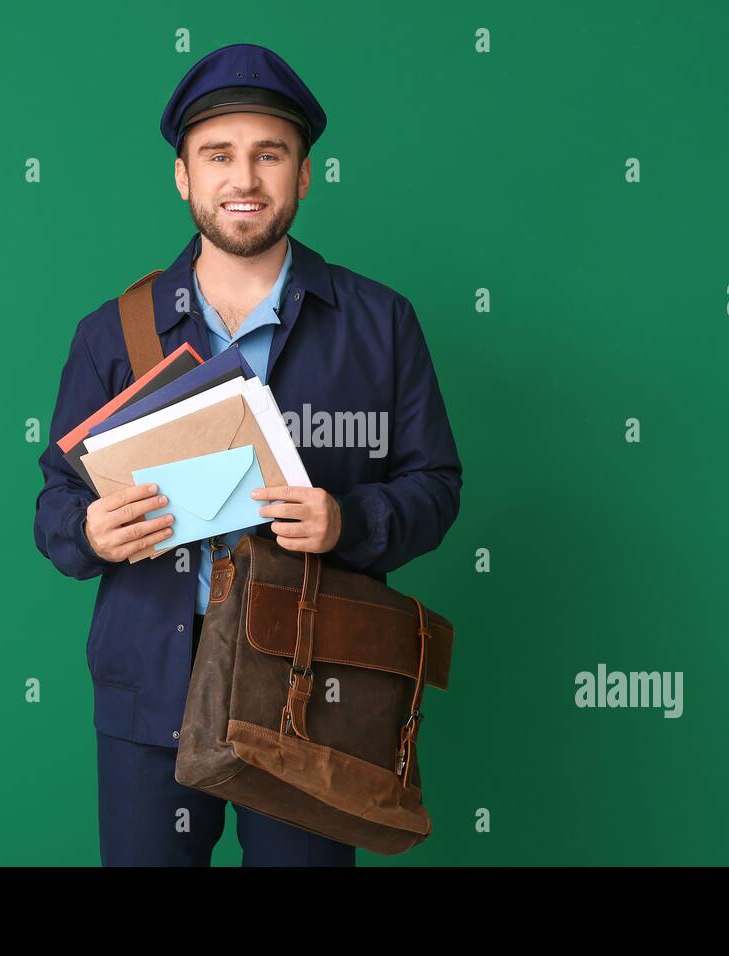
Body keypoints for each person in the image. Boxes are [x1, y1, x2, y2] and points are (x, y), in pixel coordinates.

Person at [33, 43, 462, 866]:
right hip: (146, 689)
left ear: (304, 176)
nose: (244, 179)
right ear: (183, 177)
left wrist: (350, 519)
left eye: (270, 155)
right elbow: (53, 502)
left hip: (309, 688)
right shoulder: (111, 333)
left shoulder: (382, 323)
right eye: (218, 156)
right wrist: (89, 533)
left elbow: (436, 486)